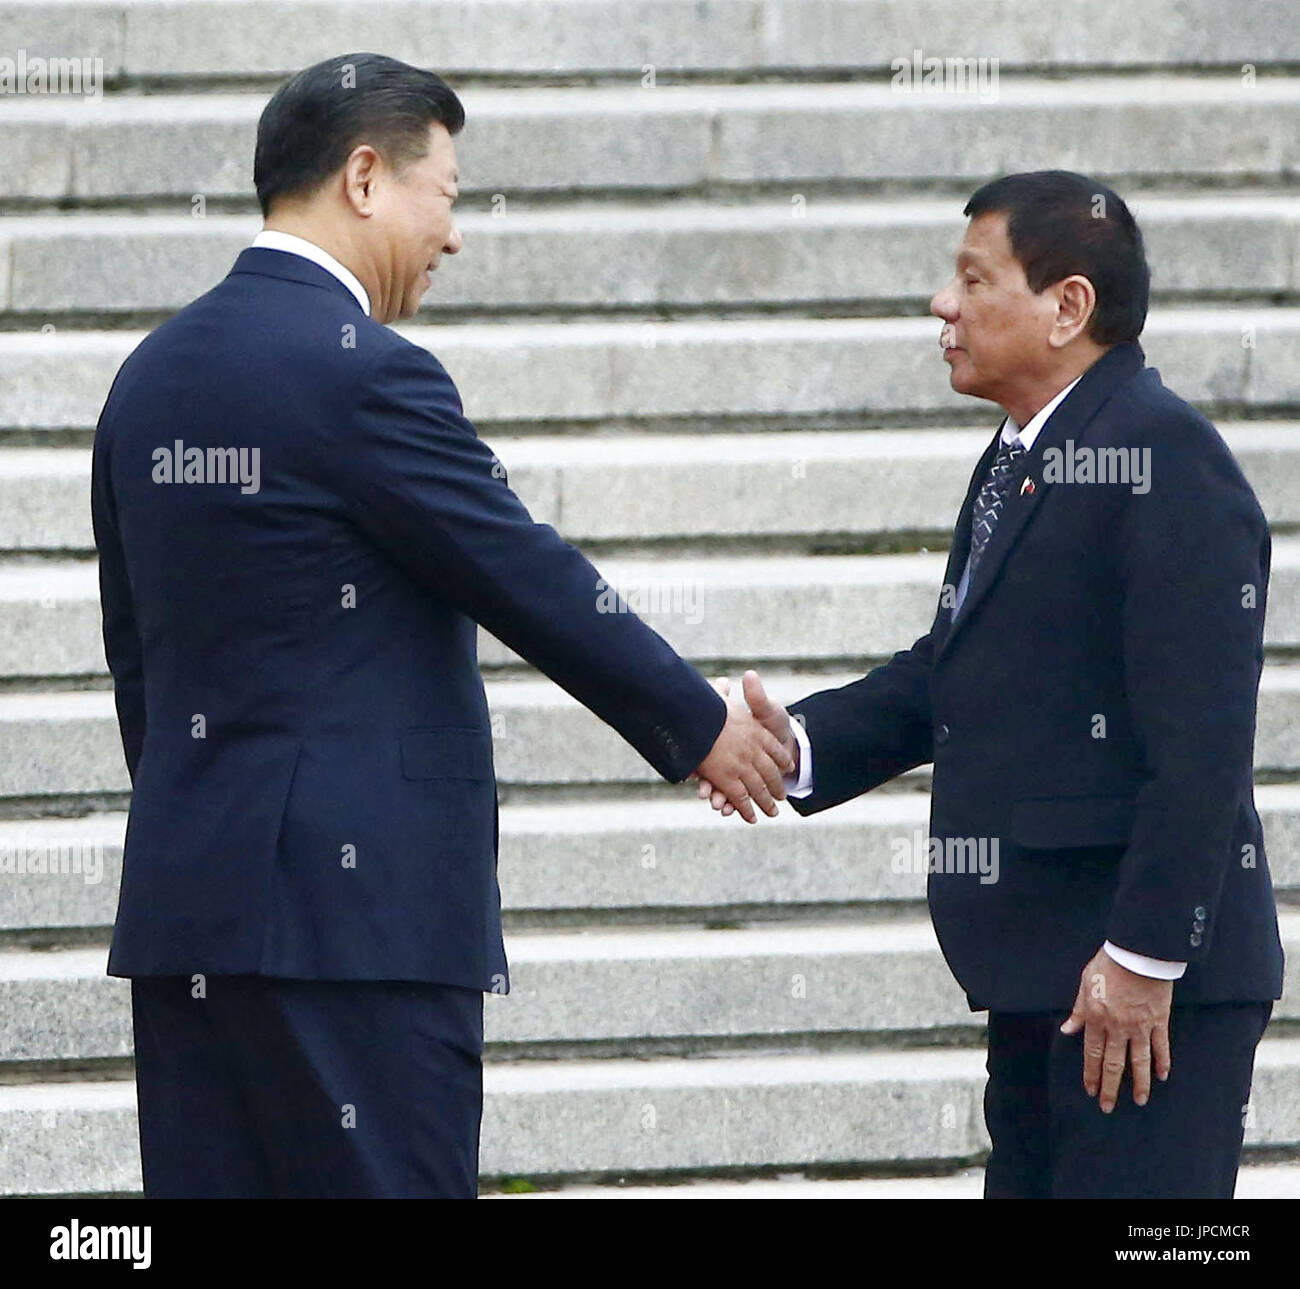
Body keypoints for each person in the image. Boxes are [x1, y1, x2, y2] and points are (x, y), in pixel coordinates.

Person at [92, 52, 793, 1199]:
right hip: (356, 930)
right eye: (447, 196)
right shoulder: (366, 373)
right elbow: (526, 571)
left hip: (194, 915)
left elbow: (141, 664)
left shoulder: (148, 377)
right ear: (365, 178)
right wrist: (697, 719)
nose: (452, 235)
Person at [700, 171, 1283, 1199]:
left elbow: (1200, 746)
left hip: (1137, 988)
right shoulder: (1025, 452)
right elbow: (956, 671)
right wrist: (800, 743)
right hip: (1046, 973)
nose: (943, 304)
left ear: (1067, 306)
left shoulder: (1164, 458)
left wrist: (1146, 958)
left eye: (973, 279)